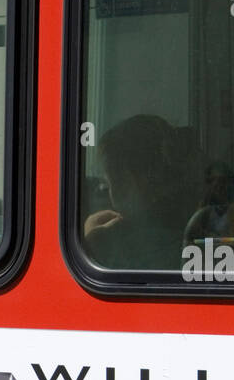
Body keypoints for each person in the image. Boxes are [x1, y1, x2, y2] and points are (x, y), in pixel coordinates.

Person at [83, 114, 200, 270]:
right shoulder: (195, 222)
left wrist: (91, 241)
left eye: (108, 183)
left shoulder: (116, 245)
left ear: (126, 181)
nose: (110, 193)